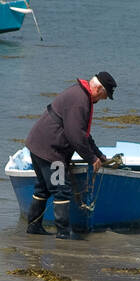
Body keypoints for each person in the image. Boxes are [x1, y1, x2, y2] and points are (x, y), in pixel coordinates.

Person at [24, 71, 117, 237]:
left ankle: (33, 227)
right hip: (51, 153)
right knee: (61, 190)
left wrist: (99, 155)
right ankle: (63, 234)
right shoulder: (80, 102)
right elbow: (76, 135)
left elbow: (83, 134)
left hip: (38, 146)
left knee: (43, 189)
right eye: (104, 96)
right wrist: (91, 158)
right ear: (98, 89)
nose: (102, 100)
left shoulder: (79, 94)